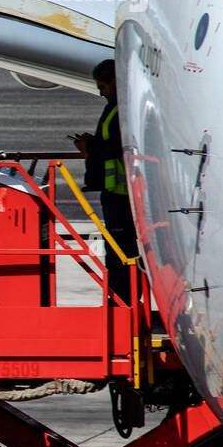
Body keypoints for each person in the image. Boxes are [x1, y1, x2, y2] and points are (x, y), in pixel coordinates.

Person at [71, 59, 138, 305]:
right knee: (122, 252)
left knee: (121, 253)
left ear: (115, 82)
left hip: (122, 194)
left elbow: (116, 148)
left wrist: (89, 148)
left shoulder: (121, 110)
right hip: (118, 192)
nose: (100, 92)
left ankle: (121, 305)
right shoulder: (117, 108)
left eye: (102, 86)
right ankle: (124, 303)